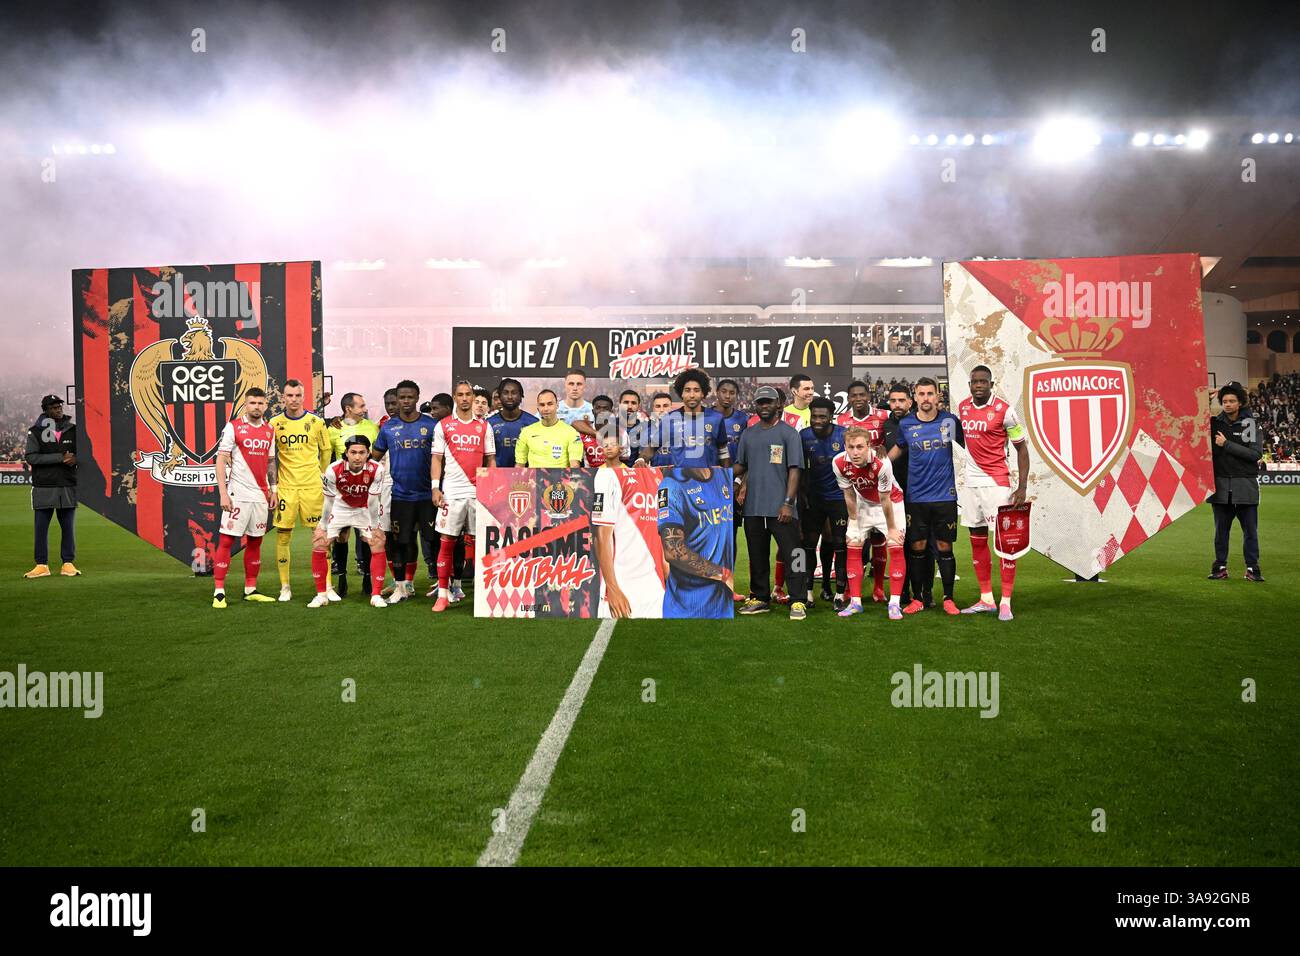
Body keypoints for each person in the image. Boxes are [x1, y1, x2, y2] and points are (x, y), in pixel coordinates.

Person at [957, 365, 1029, 621]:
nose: (978, 386)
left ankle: (1006, 602)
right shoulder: (963, 408)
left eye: (982, 382)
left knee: (1005, 543)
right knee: (976, 538)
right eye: (974, 382)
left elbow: (1021, 448)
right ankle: (986, 598)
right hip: (971, 484)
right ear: (969, 384)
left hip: (997, 483)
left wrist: (1021, 487)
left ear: (991, 383)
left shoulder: (1005, 411)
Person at [888, 377, 964, 615]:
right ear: (915, 397)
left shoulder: (949, 421)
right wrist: (877, 468)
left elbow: (966, 450)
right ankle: (918, 598)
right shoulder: (907, 424)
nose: (926, 399)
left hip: (945, 496)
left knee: (944, 548)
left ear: (937, 397)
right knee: (917, 547)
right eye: (921, 394)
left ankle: (949, 598)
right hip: (916, 497)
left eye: (930, 394)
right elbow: (898, 449)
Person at [734, 385, 807, 620]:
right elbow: (740, 467)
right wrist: (709, 473)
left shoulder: (789, 433)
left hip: (781, 507)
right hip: (753, 507)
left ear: (778, 405)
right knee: (757, 556)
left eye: (768, 402)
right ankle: (761, 597)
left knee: (794, 553)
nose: (764, 406)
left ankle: (798, 600)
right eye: (760, 402)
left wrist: (788, 502)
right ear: (755, 406)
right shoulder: (749, 434)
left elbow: (795, 470)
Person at [430, 381, 496, 612]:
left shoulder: (484, 427)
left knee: (483, 545)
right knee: (447, 543)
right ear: (455, 397)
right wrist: (435, 488)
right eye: (461, 395)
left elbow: (490, 460)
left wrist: (493, 487)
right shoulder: (443, 426)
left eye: (469, 394)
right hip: (452, 493)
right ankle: (442, 594)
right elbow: (437, 458)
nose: (465, 398)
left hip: (478, 493)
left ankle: (486, 593)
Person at [371, 380, 437, 603]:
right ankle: (401, 587)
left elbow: (441, 458)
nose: (405, 401)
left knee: (434, 541)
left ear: (417, 398)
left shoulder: (431, 425)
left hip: (428, 496)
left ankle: (444, 586)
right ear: (397, 400)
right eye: (402, 398)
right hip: (400, 496)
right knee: (400, 542)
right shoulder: (388, 428)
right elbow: (375, 458)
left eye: (410, 397)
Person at [212, 387, 277, 607]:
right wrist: (223, 493)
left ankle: (250, 589)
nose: (256, 407)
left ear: (265, 405)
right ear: (245, 405)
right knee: (227, 540)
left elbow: (270, 462)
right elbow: (221, 459)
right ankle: (219, 591)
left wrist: (273, 489)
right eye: (252, 403)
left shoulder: (270, 430)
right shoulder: (234, 427)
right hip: (237, 494)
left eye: (260, 403)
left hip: (260, 495)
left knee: (255, 541)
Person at [269, 379, 333, 603]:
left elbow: (326, 450)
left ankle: (327, 585)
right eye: (289, 395)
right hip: (287, 488)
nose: (293, 400)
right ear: (283, 397)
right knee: (283, 535)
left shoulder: (316, 422)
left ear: (303, 397)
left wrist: (323, 477)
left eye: (297, 395)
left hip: (312, 487)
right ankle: (285, 586)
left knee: (320, 535)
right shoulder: (274, 423)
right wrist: (274, 487)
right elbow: (270, 457)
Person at [835, 427, 907, 620]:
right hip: (863, 504)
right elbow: (848, 494)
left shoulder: (882, 463)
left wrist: (891, 528)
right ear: (845, 447)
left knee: (895, 545)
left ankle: (894, 603)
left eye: (860, 447)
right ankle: (855, 603)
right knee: (853, 543)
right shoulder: (839, 462)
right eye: (851, 447)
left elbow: (885, 498)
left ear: (869, 446)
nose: (855, 451)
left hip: (891, 503)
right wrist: (852, 521)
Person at [593, 433, 666, 618]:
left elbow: (662, 537)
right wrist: (612, 588)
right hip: (621, 581)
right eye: (605, 444)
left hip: (654, 587)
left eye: (613, 444)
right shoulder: (603, 476)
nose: (608, 447)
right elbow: (601, 536)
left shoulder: (647, 476)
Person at [310, 436, 388, 608]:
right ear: (346, 453)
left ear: (368, 453)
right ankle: (321, 595)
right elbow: (328, 501)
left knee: (377, 542)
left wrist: (375, 527)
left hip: (365, 507)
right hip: (340, 506)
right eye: (353, 452)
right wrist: (322, 526)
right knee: (319, 542)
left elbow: (374, 500)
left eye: (362, 452)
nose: (357, 457)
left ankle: (376, 595)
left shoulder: (377, 469)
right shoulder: (333, 469)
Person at [657, 464, 735, 617]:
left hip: (724, 606)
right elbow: (673, 551)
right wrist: (724, 575)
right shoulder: (670, 485)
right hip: (687, 609)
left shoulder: (722, 475)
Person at [1208, 382, 1264, 581]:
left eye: (1232, 401)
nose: (1228, 404)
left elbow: (1255, 454)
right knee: (1220, 532)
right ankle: (1220, 567)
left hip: (1245, 486)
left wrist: (1227, 445)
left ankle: (1252, 568)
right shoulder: (1215, 423)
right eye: (1224, 401)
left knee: (1250, 532)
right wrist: (1203, 399)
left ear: (1240, 402)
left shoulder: (1249, 423)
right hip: (1221, 487)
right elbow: (1192, 421)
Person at [327, 392, 380, 597]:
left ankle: (367, 575)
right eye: (361, 406)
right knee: (342, 536)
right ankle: (342, 577)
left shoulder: (371, 427)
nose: (365, 409)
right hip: (341, 492)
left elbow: (378, 456)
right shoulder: (333, 429)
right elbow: (327, 457)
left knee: (366, 535)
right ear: (348, 408)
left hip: (365, 490)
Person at [882, 383, 931, 607]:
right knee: (898, 544)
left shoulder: (919, 421)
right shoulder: (886, 425)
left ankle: (925, 592)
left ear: (910, 402)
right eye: (893, 401)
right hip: (895, 496)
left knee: (922, 545)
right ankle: (902, 591)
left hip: (920, 492)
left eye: (902, 400)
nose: (897, 404)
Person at [800, 397, 848, 608]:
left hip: (839, 499)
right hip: (813, 499)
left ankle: (837, 592)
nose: (817, 420)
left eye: (822, 416)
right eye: (814, 416)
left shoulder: (843, 434)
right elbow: (798, 469)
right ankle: (808, 591)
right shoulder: (803, 436)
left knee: (838, 543)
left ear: (831, 417)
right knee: (809, 544)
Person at [23, 395, 79, 579]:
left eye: (59, 406)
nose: (58, 410)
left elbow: (83, 454)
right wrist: (60, 458)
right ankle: (41, 565)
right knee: (41, 528)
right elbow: (31, 457)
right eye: (54, 407)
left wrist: (76, 459)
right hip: (44, 486)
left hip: (67, 484)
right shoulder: (35, 432)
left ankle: (68, 563)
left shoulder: (73, 430)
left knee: (68, 527)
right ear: (45, 410)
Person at [647, 370, 730, 468]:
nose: (692, 395)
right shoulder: (669, 419)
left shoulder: (716, 418)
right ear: (681, 393)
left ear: (703, 393)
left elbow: (723, 451)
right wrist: (641, 459)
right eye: (687, 390)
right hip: (679, 480)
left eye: (696, 390)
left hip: (709, 481)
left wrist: (727, 477)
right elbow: (651, 447)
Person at [513, 389, 584, 467]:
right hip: (534, 478)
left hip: (561, 479)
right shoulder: (526, 432)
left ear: (557, 405)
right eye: (542, 405)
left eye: (550, 404)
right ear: (538, 408)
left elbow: (575, 466)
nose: (546, 408)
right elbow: (519, 465)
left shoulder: (571, 433)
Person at [487, 378, 538, 468]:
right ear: (499, 396)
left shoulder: (533, 423)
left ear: (521, 396)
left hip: (526, 478)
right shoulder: (489, 423)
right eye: (506, 393)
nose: (510, 397)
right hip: (497, 478)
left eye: (514, 393)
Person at [557, 368, 597, 437]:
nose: (575, 388)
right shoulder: (554, 409)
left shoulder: (593, 410)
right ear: (565, 385)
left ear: (585, 386)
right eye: (571, 384)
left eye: (579, 384)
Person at [641, 392, 676, 467]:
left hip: (678, 473)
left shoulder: (682, 428)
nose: (662, 409)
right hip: (656, 474)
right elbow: (644, 458)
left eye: (665, 406)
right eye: (658, 406)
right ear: (653, 409)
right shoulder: (646, 432)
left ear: (671, 407)